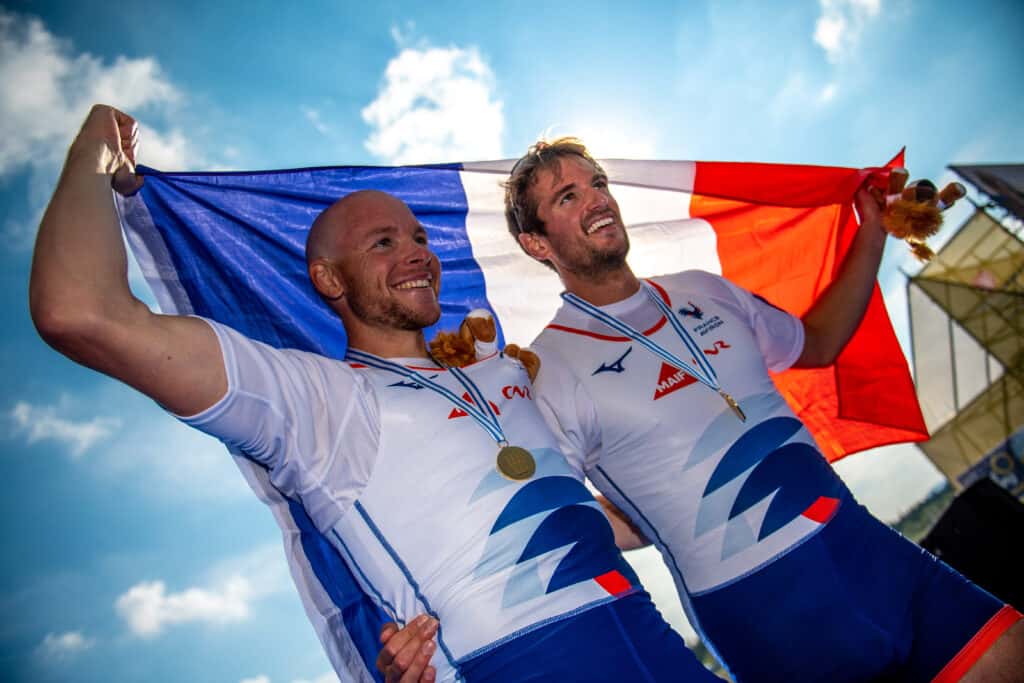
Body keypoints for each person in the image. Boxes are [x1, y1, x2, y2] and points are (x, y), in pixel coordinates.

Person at [30, 107, 722, 683]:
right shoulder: (314, 401)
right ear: (329, 280)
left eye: (420, 237)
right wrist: (93, 148)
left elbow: (606, 508)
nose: (418, 252)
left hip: (653, 642)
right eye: (384, 243)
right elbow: (79, 314)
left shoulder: (505, 374)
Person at [381, 138, 1024, 683]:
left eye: (597, 183)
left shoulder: (702, 289)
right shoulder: (547, 369)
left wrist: (874, 234)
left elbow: (819, 341)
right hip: (764, 612)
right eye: (567, 197)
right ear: (535, 243)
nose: (597, 199)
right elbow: (560, 521)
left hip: (866, 547)